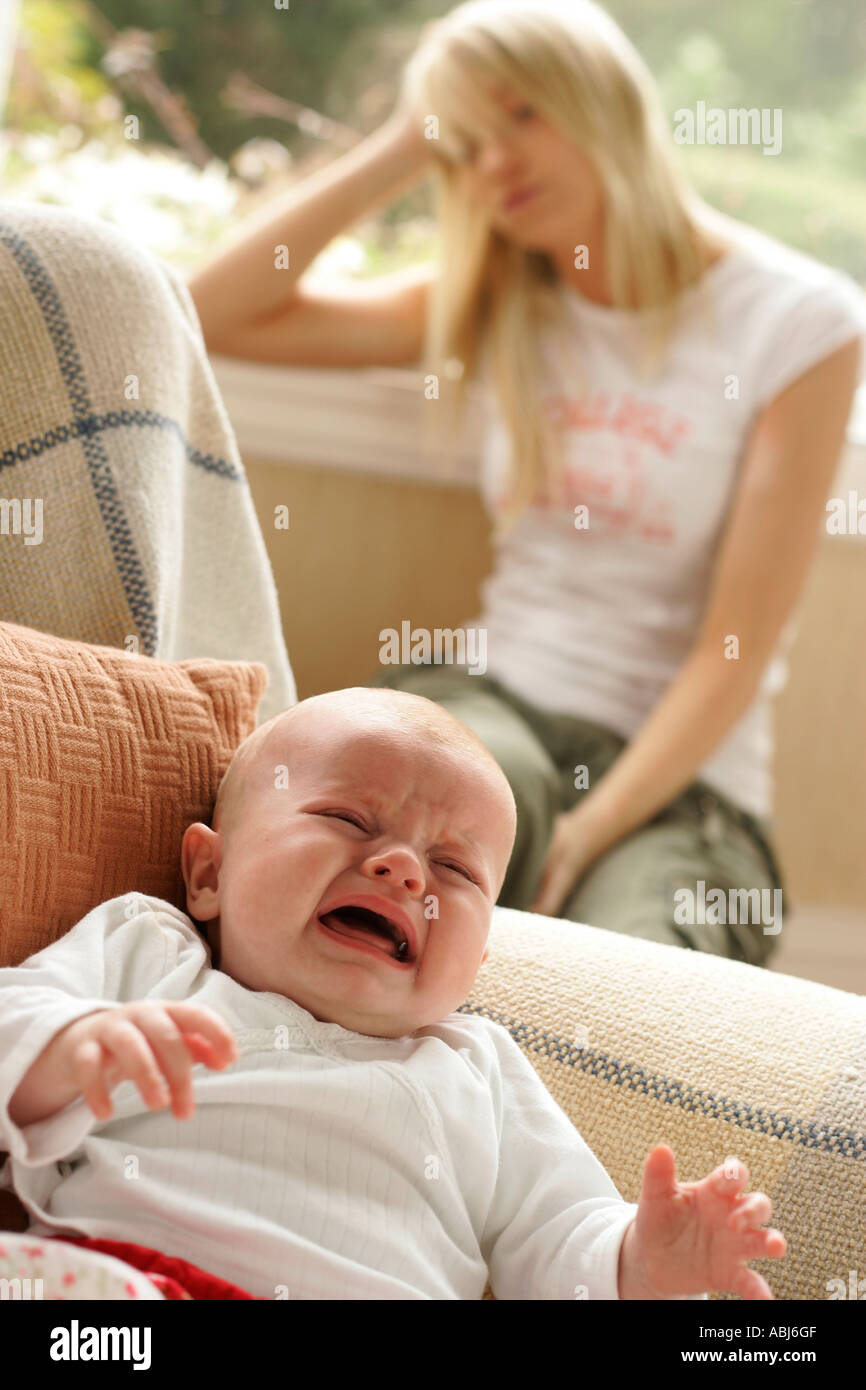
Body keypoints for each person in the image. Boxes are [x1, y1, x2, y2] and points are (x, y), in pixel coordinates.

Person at [187, 0, 866, 960]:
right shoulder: (502, 297)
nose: (493, 162)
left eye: (521, 116)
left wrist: (591, 833)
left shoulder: (800, 321)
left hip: (687, 782)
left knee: (642, 973)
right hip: (496, 707)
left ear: (603, 104)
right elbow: (209, 312)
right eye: (464, 144)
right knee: (357, 872)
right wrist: (405, 139)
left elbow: (733, 650)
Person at [0, 687, 786, 1300]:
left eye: (453, 870)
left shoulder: (476, 1072)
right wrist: (68, 1050)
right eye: (348, 818)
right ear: (209, 873)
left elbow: (560, 1240)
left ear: (475, 962)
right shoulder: (150, 954)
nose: (405, 871)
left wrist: (641, 1259)